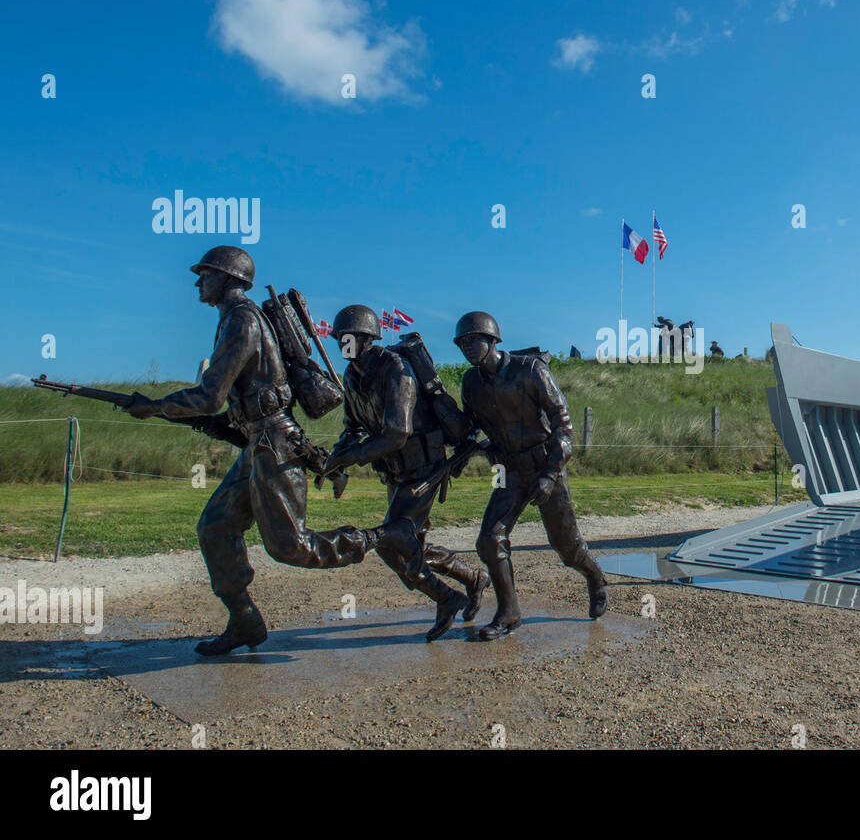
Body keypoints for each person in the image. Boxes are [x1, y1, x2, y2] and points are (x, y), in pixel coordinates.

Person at [125, 247, 424, 656]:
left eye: (205, 274)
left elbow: (211, 397)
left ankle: (384, 536)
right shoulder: (234, 319)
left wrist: (156, 405)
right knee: (215, 526)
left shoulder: (242, 320)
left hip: (274, 443)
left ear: (229, 278)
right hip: (257, 443)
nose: (198, 282)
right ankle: (245, 619)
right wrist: (164, 410)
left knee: (291, 547)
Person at [322, 306, 490, 641]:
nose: (342, 342)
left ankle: (445, 598)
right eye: (339, 337)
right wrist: (339, 456)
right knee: (412, 544)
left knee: (391, 541)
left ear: (368, 339)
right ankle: (472, 579)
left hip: (422, 469)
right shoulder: (352, 376)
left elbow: (396, 433)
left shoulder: (395, 369)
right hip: (395, 472)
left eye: (349, 337)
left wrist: (353, 457)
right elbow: (353, 426)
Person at [453, 311, 608, 640]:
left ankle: (594, 577)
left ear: (493, 340)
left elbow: (563, 427)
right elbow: (468, 428)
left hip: (543, 465)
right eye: (462, 343)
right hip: (507, 470)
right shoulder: (470, 382)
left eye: (473, 340)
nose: (466, 347)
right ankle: (509, 613)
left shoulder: (530, 370)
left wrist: (551, 474)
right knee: (489, 541)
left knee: (566, 547)